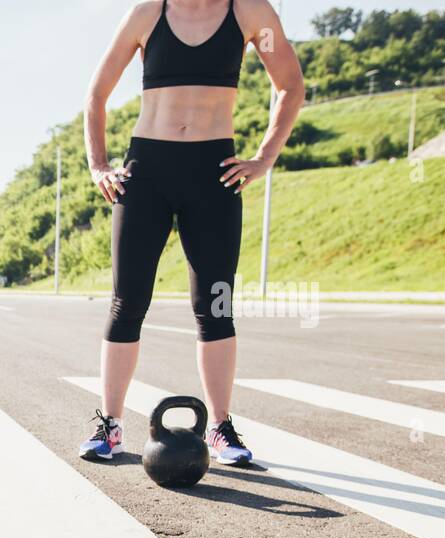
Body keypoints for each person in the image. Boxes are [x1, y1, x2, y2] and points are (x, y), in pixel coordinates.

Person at [80, 0, 303, 465]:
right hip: (147, 172)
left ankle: (221, 427)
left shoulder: (251, 13)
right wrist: (98, 164)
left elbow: (289, 85)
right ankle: (109, 424)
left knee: (216, 304)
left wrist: (264, 157)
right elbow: (97, 92)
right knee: (128, 301)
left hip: (214, 172)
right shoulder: (146, 14)